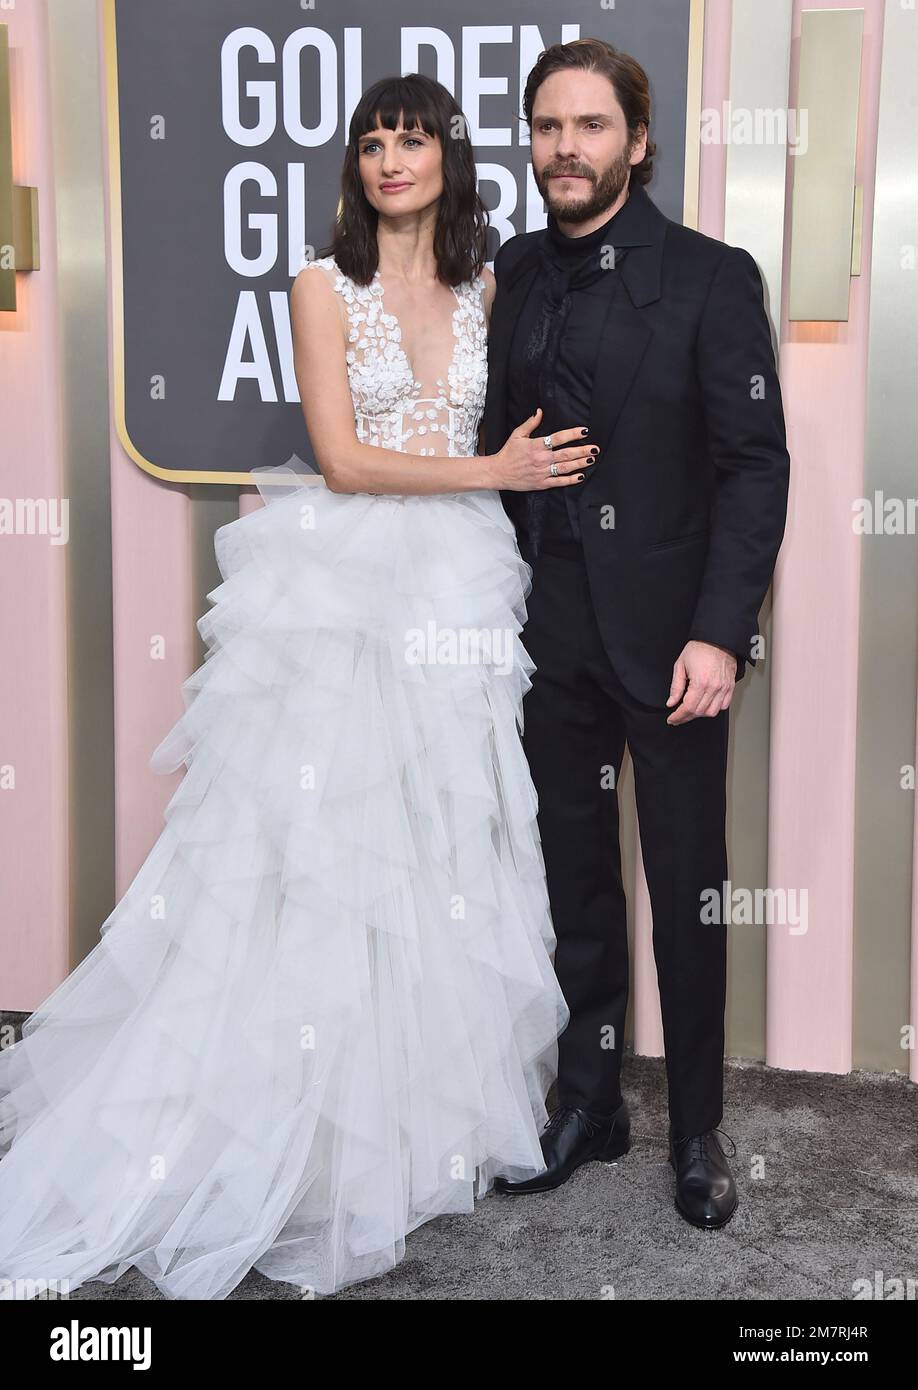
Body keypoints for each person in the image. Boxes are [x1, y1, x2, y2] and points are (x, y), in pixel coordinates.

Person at [0, 73, 595, 1301]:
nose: (389, 161)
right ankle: (294, 1116)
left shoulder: (488, 283)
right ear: (355, 170)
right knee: (320, 845)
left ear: (447, 158)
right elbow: (337, 454)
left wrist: (509, 476)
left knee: (441, 836)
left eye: (411, 140)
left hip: (462, 587)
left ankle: (406, 1109)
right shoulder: (322, 285)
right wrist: (495, 465)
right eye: (372, 143)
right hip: (345, 583)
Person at [484, 40, 790, 1228]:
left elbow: (754, 467)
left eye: (592, 127)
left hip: (673, 644)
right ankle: (590, 1101)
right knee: (573, 881)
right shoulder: (512, 269)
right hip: (540, 629)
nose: (568, 147)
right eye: (550, 127)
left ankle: (699, 1127)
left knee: (685, 885)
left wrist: (722, 636)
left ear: (638, 141)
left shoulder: (714, 278)